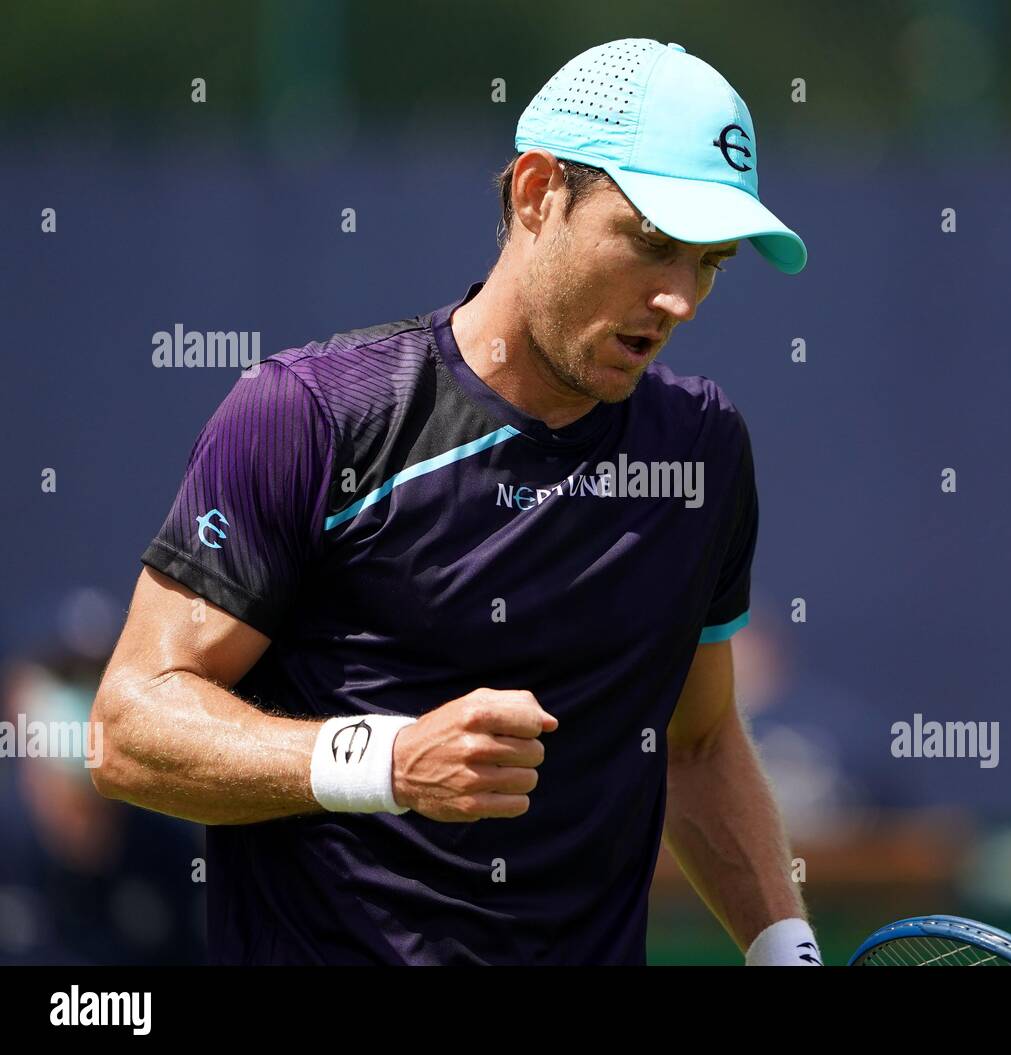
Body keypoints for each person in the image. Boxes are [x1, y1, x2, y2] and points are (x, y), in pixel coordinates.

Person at [91, 37, 817, 965]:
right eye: (652, 243)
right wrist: (383, 764)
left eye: (711, 262)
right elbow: (130, 727)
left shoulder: (701, 450)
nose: (680, 297)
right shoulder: (309, 415)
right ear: (535, 193)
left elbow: (698, 741)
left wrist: (785, 949)